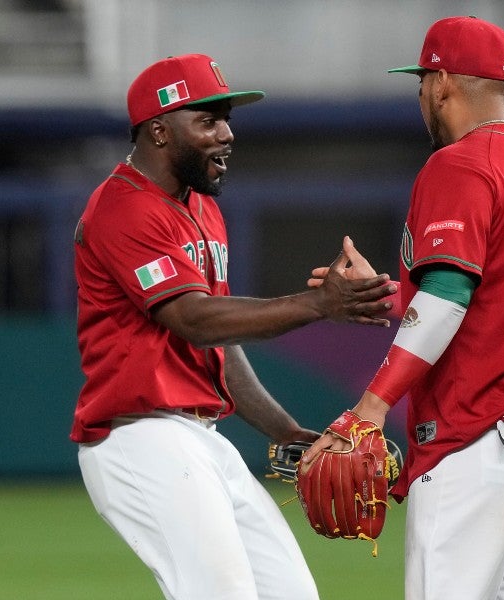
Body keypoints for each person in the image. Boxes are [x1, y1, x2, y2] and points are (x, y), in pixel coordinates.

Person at [70, 54, 396, 600]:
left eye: (227, 119)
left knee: (292, 593)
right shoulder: (122, 208)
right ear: (157, 131)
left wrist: (286, 431)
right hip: (139, 438)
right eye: (207, 120)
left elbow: (218, 340)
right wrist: (318, 305)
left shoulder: (201, 208)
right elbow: (194, 319)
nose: (226, 134)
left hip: (199, 437)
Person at [302, 17, 504, 599]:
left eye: (420, 84)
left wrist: (369, 408)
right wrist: (393, 299)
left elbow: (447, 299)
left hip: (480, 436)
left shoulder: (459, 162)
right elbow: (503, 303)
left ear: (441, 83)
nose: (420, 98)